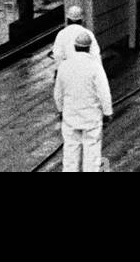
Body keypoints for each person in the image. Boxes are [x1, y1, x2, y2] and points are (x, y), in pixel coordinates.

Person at [53, 30, 112, 172]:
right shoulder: (95, 67)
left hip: (71, 118)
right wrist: (107, 112)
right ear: (88, 48)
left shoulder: (64, 67)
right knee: (92, 155)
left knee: (70, 154)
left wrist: (60, 110)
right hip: (91, 118)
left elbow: (58, 93)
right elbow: (104, 92)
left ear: (75, 47)